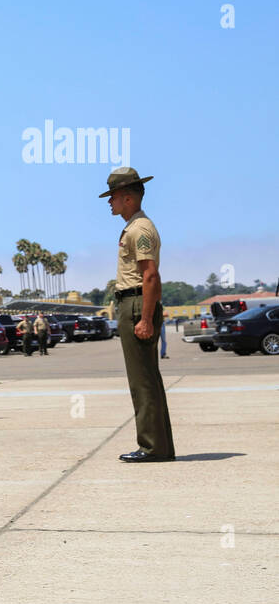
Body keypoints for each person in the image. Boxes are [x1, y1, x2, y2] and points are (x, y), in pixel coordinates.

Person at [102, 166, 175, 462]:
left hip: (136, 304)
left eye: (113, 197)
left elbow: (150, 277)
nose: (109, 202)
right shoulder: (134, 226)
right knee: (146, 378)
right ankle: (159, 445)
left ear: (128, 198)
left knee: (142, 379)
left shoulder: (140, 229)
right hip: (134, 303)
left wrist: (145, 318)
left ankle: (152, 446)